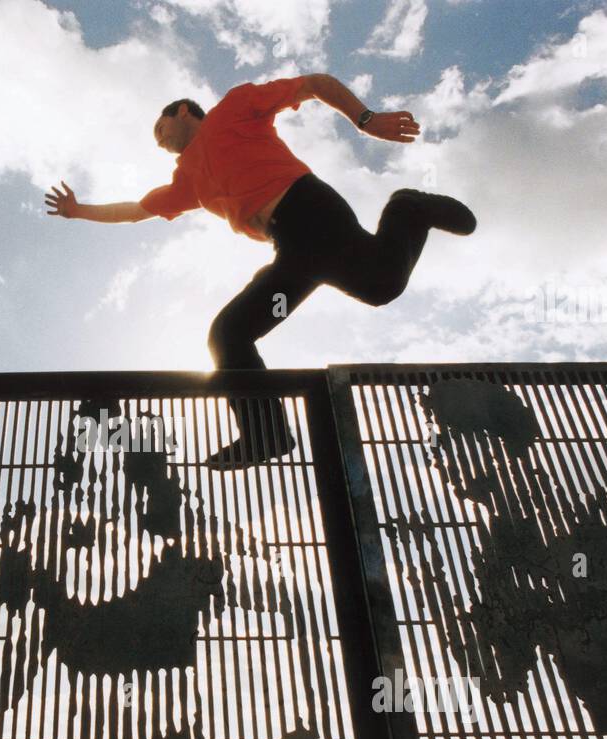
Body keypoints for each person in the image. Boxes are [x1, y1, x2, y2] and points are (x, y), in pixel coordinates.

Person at [45, 73, 477, 466]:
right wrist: (78, 210)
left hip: (312, 210)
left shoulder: (232, 108)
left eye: (160, 129)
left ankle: (409, 206)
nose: (158, 141)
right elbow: (135, 211)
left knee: (372, 287)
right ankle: (266, 433)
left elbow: (314, 84)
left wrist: (364, 119)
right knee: (235, 333)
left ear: (182, 111)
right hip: (294, 251)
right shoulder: (187, 182)